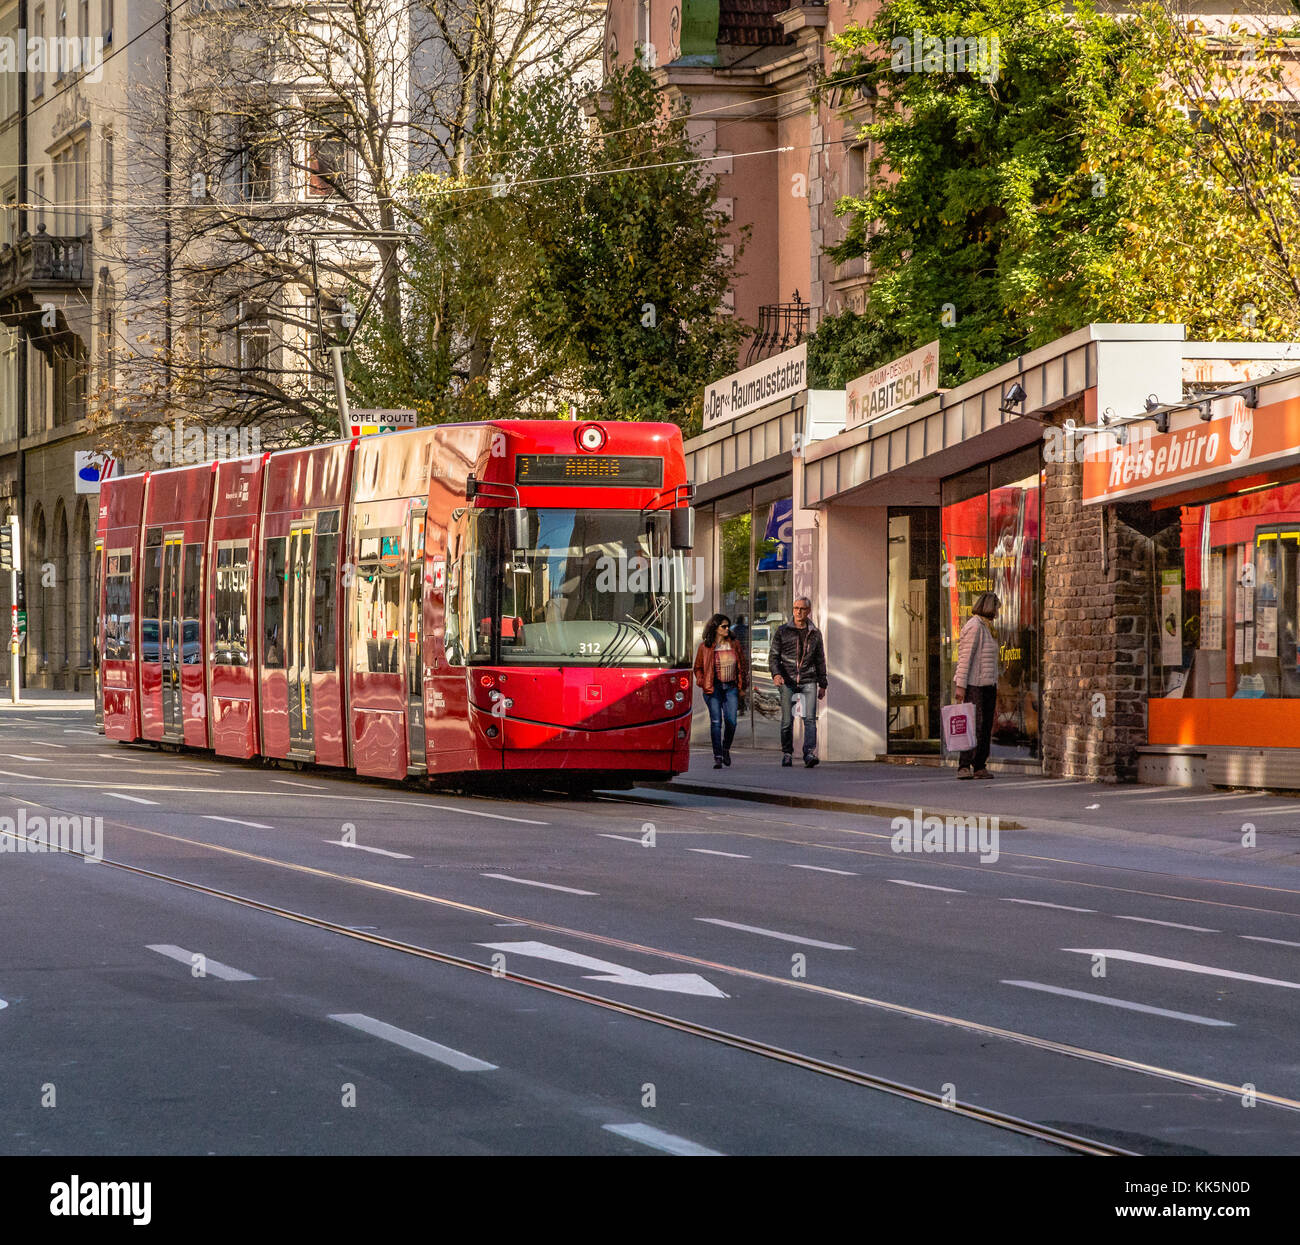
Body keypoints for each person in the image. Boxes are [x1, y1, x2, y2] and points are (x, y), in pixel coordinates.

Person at [769, 597, 827, 768]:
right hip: (787, 680)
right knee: (787, 720)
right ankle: (787, 753)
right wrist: (776, 674)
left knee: (809, 719)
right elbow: (773, 656)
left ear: (808, 611)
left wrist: (823, 683)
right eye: (796, 608)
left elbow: (820, 659)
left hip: (809, 679)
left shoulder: (815, 633)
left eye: (802, 608)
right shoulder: (783, 631)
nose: (798, 612)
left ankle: (809, 753)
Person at [954, 591, 1001, 780]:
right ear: (990, 607)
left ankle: (980, 765)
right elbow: (965, 658)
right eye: (997, 608)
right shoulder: (975, 626)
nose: (998, 612)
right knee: (973, 725)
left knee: (986, 725)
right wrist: (961, 685)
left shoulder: (988, 627)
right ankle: (964, 765)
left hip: (988, 684)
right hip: (975, 684)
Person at [693, 613, 749, 768]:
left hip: (730, 687)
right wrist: (701, 681)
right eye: (723, 626)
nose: (726, 629)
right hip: (713, 689)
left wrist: (743, 686)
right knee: (716, 722)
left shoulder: (734, 644)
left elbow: (743, 666)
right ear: (715, 628)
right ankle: (717, 756)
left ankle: (725, 748)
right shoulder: (705, 646)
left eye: (728, 626)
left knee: (732, 721)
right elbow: (697, 668)